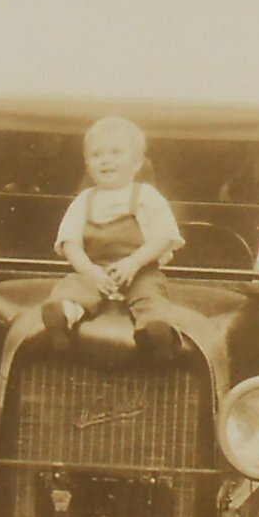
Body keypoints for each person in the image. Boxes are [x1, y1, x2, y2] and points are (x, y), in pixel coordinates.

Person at [41, 116, 184, 356]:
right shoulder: (84, 200)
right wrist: (90, 271)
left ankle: (154, 330)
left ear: (137, 162)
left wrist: (133, 262)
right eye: (97, 155)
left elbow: (164, 237)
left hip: (139, 271)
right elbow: (70, 243)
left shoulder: (146, 196)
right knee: (73, 287)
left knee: (150, 294)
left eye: (116, 152)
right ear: (87, 164)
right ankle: (63, 315)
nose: (106, 160)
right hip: (96, 271)